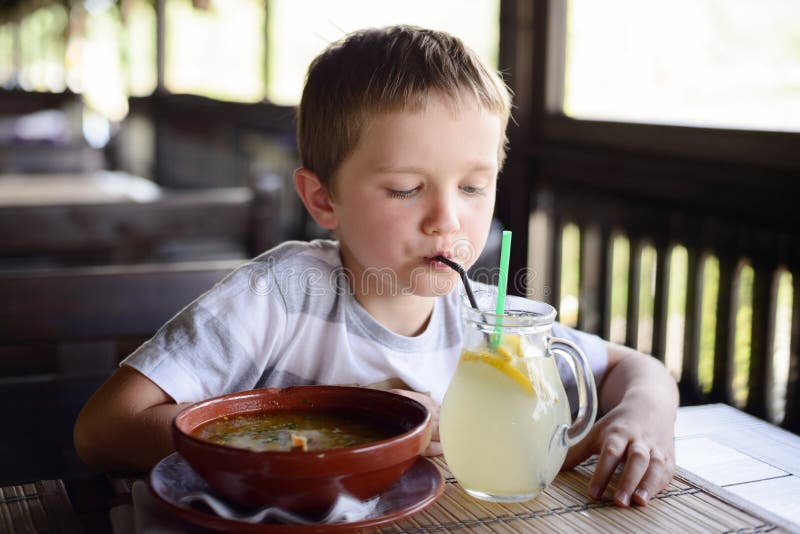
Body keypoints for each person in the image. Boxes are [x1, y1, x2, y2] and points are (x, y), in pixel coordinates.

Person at [74, 25, 678, 508]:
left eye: (473, 186)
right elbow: (102, 432)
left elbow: (635, 367)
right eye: (406, 189)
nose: (447, 220)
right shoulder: (280, 294)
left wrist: (643, 415)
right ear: (323, 200)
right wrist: (346, 418)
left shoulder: (486, 325)